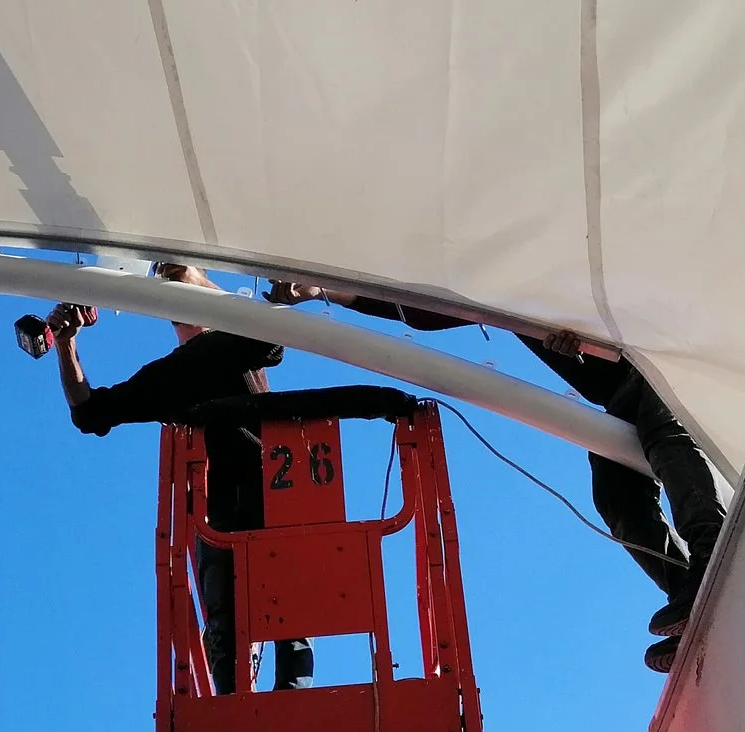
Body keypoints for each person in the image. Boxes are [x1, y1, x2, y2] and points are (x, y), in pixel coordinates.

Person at [266, 281, 721, 672]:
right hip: (619, 397)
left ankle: (708, 555)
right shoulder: (515, 302)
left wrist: (582, 326)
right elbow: (429, 314)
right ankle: (685, 595)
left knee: (668, 438)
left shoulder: (569, 281)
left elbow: (626, 304)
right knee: (616, 496)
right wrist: (325, 291)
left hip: (660, 373)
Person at [46, 264, 312, 694]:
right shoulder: (171, 374)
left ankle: (285, 698)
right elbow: (89, 411)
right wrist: (65, 343)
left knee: (287, 612)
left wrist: (199, 281)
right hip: (225, 509)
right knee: (234, 619)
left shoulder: (233, 339)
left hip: (270, 494)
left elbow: (272, 338)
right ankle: (239, 706)